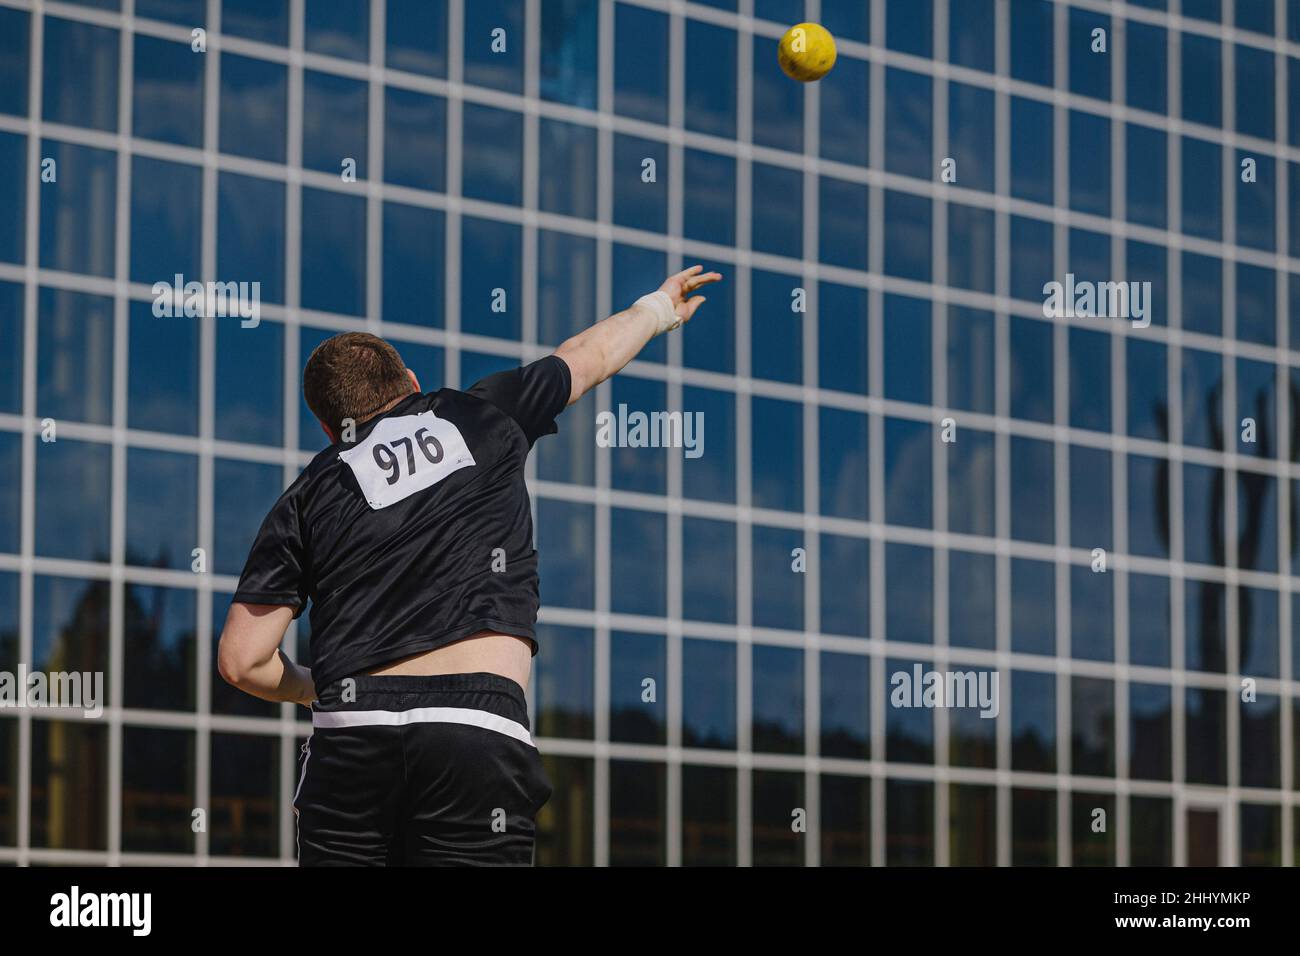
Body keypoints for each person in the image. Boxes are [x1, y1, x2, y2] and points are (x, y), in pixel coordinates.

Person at [216, 265, 722, 865]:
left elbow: (241, 659)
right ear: (410, 380)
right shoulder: (482, 412)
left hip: (353, 737)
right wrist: (659, 308)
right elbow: (584, 356)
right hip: (473, 731)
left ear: (330, 429)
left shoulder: (308, 493)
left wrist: (312, 690)